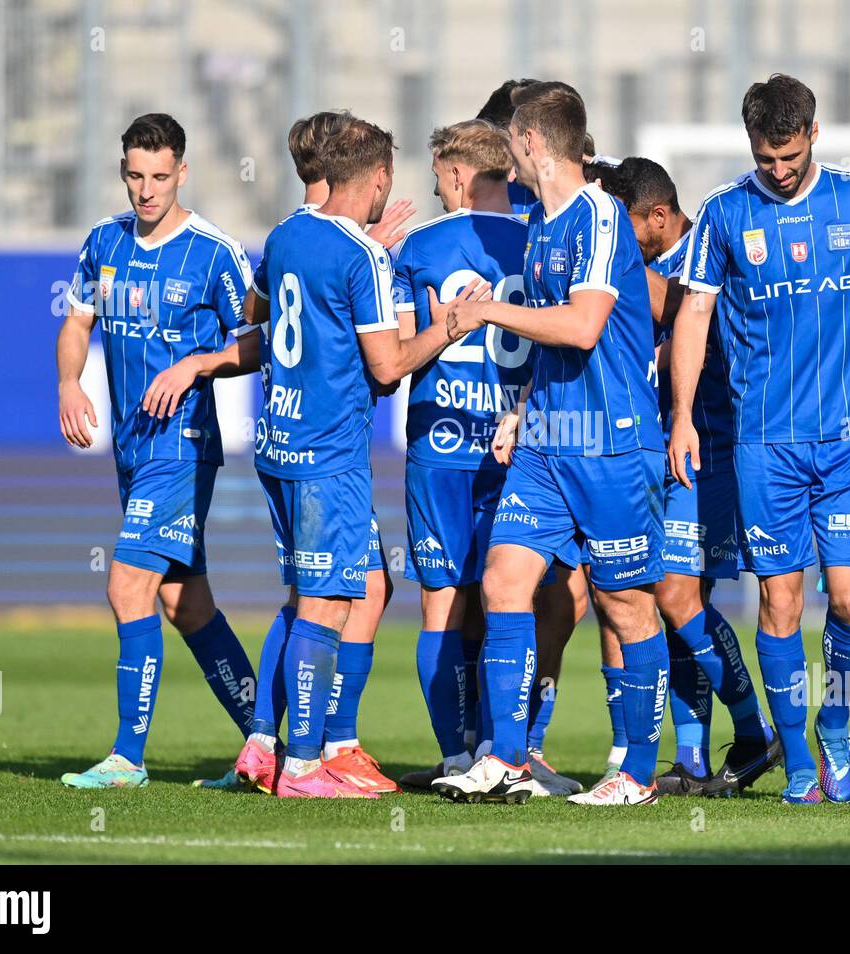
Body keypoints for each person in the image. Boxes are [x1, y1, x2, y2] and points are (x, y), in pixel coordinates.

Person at [668, 74, 850, 804]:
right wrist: (683, 414)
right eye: (765, 156)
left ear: (813, 134)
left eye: (789, 154)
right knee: (779, 605)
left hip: (847, 438)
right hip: (764, 448)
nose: (778, 169)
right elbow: (691, 319)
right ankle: (802, 768)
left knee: (847, 602)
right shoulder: (723, 213)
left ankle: (834, 724)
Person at [237, 114, 487, 798]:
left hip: (279, 443)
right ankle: (303, 765)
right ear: (377, 179)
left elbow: (267, 315)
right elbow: (386, 368)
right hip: (329, 454)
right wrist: (448, 326)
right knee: (324, 602)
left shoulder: (288, 234)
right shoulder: (364, 257)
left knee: (366, 585)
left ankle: (292, 741)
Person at [440, 82, 668, 806]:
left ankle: (635, 774)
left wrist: (487, 310)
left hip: (611, 444)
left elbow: (582, 327)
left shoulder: (599, 215)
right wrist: (522, 409)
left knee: (624, 603)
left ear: (533, 142)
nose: (507, 151)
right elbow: (552, 344)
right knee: (505, 580)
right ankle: (507, 758)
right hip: (546, 440)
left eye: (510, 139)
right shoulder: (541, 223)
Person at [55, 113, 259, 789]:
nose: (147, 190)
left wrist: (197, 365)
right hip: (133, 449)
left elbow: (260, 342)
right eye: (136, 176)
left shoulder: (213, 252)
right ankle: (269, 747)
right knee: (185, 604)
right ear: (123, 172)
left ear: (183, 172)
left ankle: (127, 759)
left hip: (184, 445)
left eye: (160, 176)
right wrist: (67, 382)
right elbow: (76, 322)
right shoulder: (103, 242)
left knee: (126, 584)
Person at [390, 119, 579, 796]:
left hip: (443, 443)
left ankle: (456, 757)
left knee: (444, 602)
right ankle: (516, 748)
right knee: (526, 598)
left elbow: (399, 354)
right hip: (527, 448)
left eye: (439, 176)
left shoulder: (422, 248)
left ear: (455, 173)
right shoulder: (544, 242)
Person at [608, 156, 782, 797]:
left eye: (629, 229)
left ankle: (756, 730)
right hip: (666, 453)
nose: (622, 243)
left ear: (658, 216)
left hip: (712, 451)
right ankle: (693, 758)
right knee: (677, 602)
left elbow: (697, 322)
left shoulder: (709, 253)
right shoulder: (652, 264)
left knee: (675, 595)